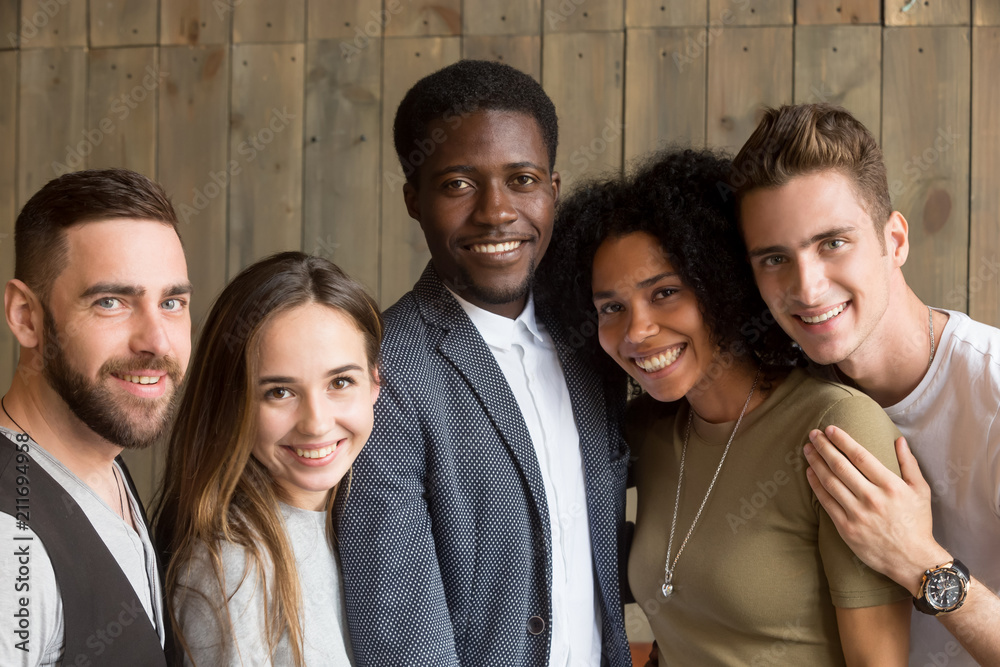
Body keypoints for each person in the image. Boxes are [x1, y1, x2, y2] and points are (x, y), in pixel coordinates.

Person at [540, 148, 911, 665]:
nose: (637, 331)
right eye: (611, 308)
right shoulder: (650, 429)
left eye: (665, 292)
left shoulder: (834, 427)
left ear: (722, 286)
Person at [334, 60, 631, 667]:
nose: (496, 212)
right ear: (414, 199)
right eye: (457, 184)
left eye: (521, 179)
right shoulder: (382, 375)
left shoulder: (595, 343)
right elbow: (403, 640)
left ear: (553, 187)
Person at [733, 103, 1000, 666]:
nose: (806, 288)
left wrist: (918, 559)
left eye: (833, 243)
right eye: (775, 258)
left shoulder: (992, 390)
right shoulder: (788, 394)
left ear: (894, 240)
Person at [0, 168, 192, 666]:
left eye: (172, 302)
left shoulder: (99, 454)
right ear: (26, 316)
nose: (157, 341)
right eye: (111, 302)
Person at [154, 252, 381, 667]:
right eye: (280, 391)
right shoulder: (234, 568)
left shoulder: (374, 524)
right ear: (233, 402)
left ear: (374, 383)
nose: (315, 423)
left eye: (340, 382)